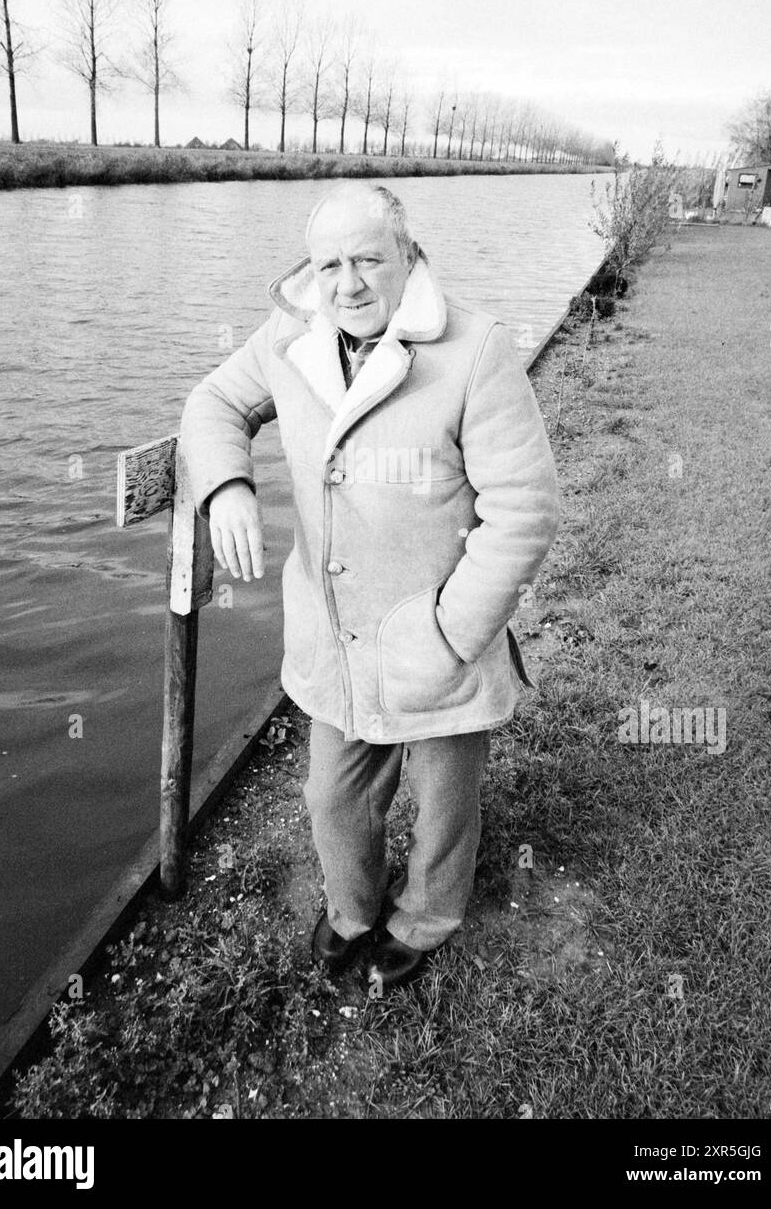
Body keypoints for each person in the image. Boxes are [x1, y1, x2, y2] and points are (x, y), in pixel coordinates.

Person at [179, 182, 561, 990]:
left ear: (408, 256)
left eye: (367, 259)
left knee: (444, 805)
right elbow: (213, 401)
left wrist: (451, 634)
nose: (347, 283)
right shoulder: (289, 334)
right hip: (334, 635)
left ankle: (428, 915)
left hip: (442, 632)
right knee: (333, 798)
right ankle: (351, 911)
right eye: (328, 264)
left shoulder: (476, 349)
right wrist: (227, 486)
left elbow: (524, 509)